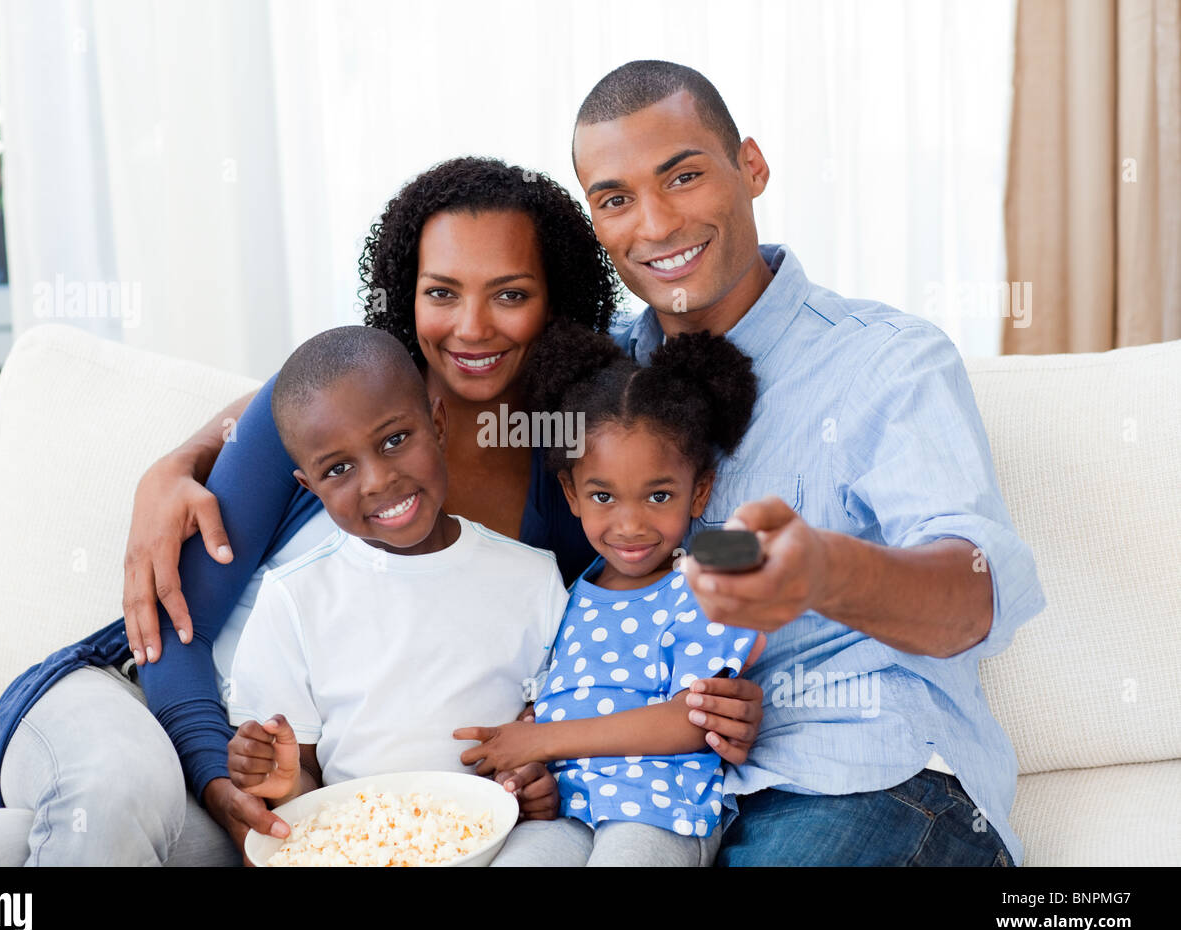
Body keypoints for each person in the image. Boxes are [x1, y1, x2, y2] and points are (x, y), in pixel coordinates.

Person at [0, 157, 760, 866]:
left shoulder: (567, 459)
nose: (471, 326)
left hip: (291, 791)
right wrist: (177, 462)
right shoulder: (340, 405)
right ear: (406, 294)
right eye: (442, 293)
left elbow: (637, 577)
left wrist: (724, 690)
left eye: (509, 294)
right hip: (144, 710)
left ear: (557, 301)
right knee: (116, 793)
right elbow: (175, 636)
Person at [568, 60, 1046, 865]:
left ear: (750, 166)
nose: (653, 225)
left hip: (869, 783)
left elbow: (975, 594)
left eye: (682, 176)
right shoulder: (599, 384)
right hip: (672, 799)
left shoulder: (887, 363)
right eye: (616, 199)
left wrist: (823, 570)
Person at [453, 323, 764, 866]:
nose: (630, 525)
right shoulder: (571, 593)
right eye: (604, 495)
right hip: (565, 808)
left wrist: (543, 742)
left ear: (701, 492)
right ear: (572, 493)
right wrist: (525, 762)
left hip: (658, 808)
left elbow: (693, 721)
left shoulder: (707, 586)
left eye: (659, 495)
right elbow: (546, 702)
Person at [224, 326, 567, 814]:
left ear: (439, 424)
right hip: (356, 843)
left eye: (395, 439)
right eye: (339, 469)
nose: (379, 479)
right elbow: (299, 784)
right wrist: (278, 782)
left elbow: (550, 738)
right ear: (308, 486)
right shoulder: (293, 599)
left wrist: (533, 780)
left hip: (494, 839)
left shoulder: (533, 579)